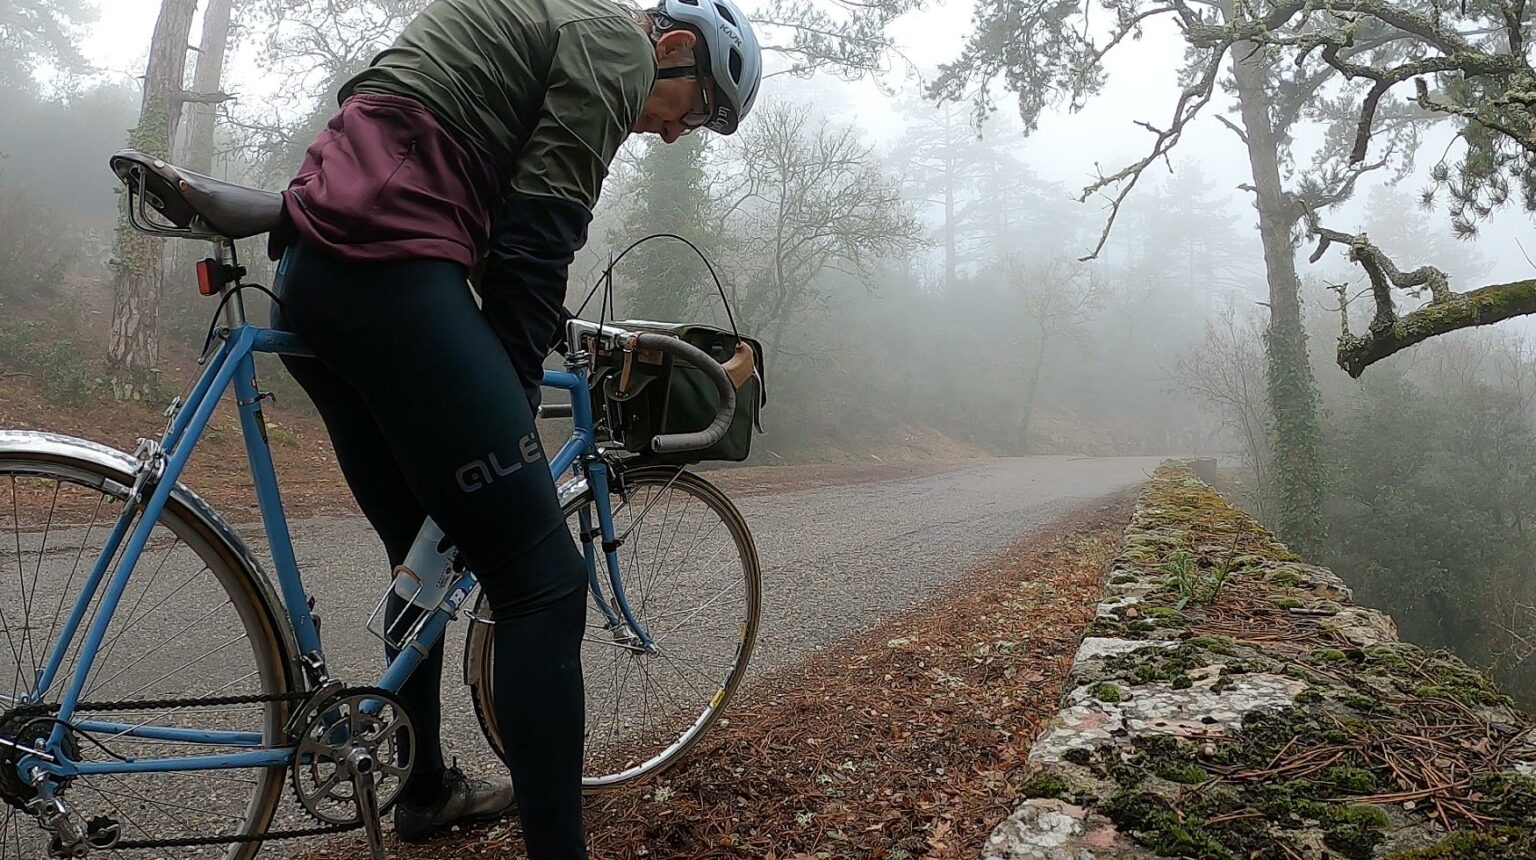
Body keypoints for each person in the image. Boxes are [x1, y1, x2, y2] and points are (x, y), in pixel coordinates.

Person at [263, 0, 762, 856]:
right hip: (388, 262)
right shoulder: (616, 43)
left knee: (425, 547)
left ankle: (423, 792)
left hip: (318, 267)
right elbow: (538, 233)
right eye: (703, 109)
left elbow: (495, 220)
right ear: (673, 47)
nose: (684, 136)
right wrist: (510, 393)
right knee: (544, 586)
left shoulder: (547, 19)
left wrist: (504, 351)